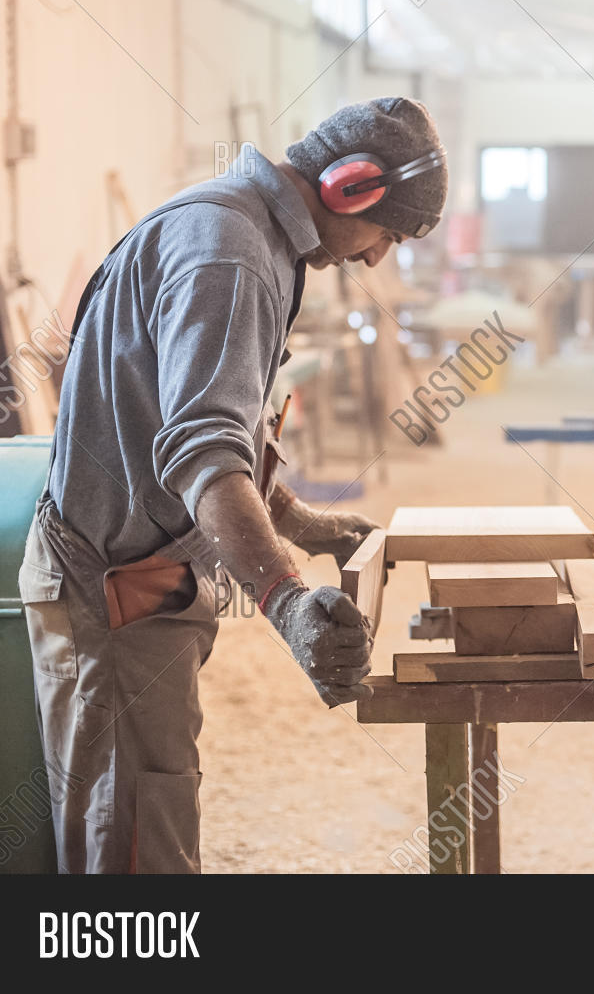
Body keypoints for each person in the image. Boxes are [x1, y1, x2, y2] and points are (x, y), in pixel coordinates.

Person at [22, 97, 449, 873]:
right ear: (351, 187)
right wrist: (285, 602)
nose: (378, 257)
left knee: (145, 812)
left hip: (139, 573)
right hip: (112, 587)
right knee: (134, 847)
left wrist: (296, 518)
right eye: (390, 233)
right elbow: (201, 451)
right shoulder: (234, 252)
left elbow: (212, 412)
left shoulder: (247, 230)